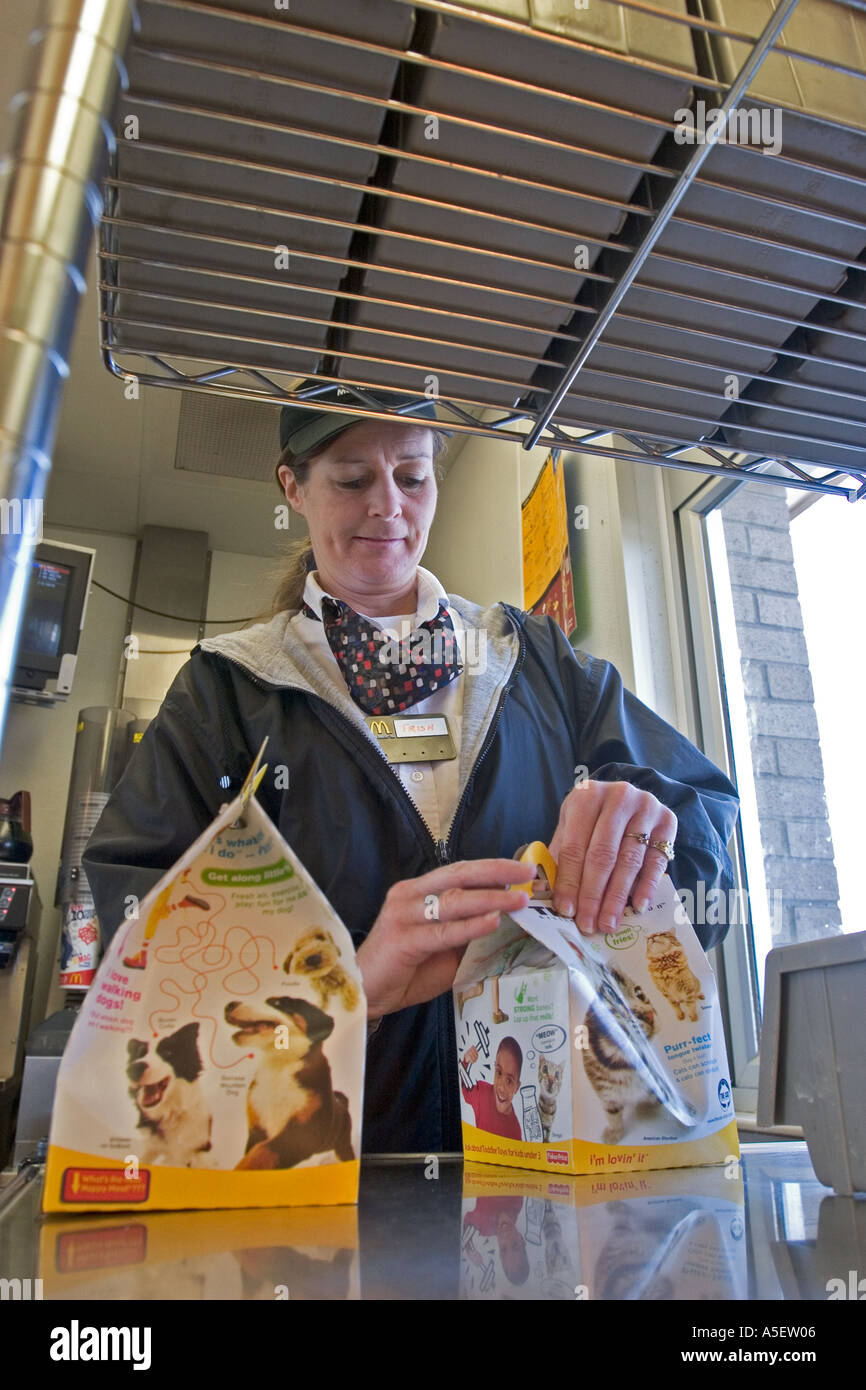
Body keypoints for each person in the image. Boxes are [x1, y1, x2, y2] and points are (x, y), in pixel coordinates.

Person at [81, 380, 741, 1154]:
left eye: (413, 476)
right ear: (292, 487)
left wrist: (647, 832)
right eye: (352, 479)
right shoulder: (228, 692)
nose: (388, 507)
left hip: (548, 1157)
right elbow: (137, 965)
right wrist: (350, 988)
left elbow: (710, 844)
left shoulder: (535, 663)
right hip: (328, 1171)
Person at [461, 1038, 523, 1140]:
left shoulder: (515, 1131)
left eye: (509, 1081)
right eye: (499, 1072)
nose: (501, 1087)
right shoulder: (482, 1092)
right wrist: (465, 1062)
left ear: (516, 1087)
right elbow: (466, 1092)